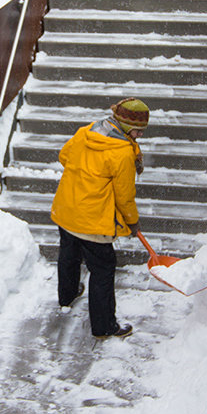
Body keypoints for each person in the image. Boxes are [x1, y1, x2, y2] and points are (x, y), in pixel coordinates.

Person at [50, 97, 149, 340]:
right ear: (126, 126)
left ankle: (67, 295)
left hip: (68, 209)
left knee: (69, 254)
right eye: (138, 130)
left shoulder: (87, 132)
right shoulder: (122, 153)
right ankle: (104, 326)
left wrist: (85, 176)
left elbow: (64, 156)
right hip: (93, 220)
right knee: (103, 270)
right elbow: (125, 196)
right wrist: (132, 221)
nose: (140, 135)